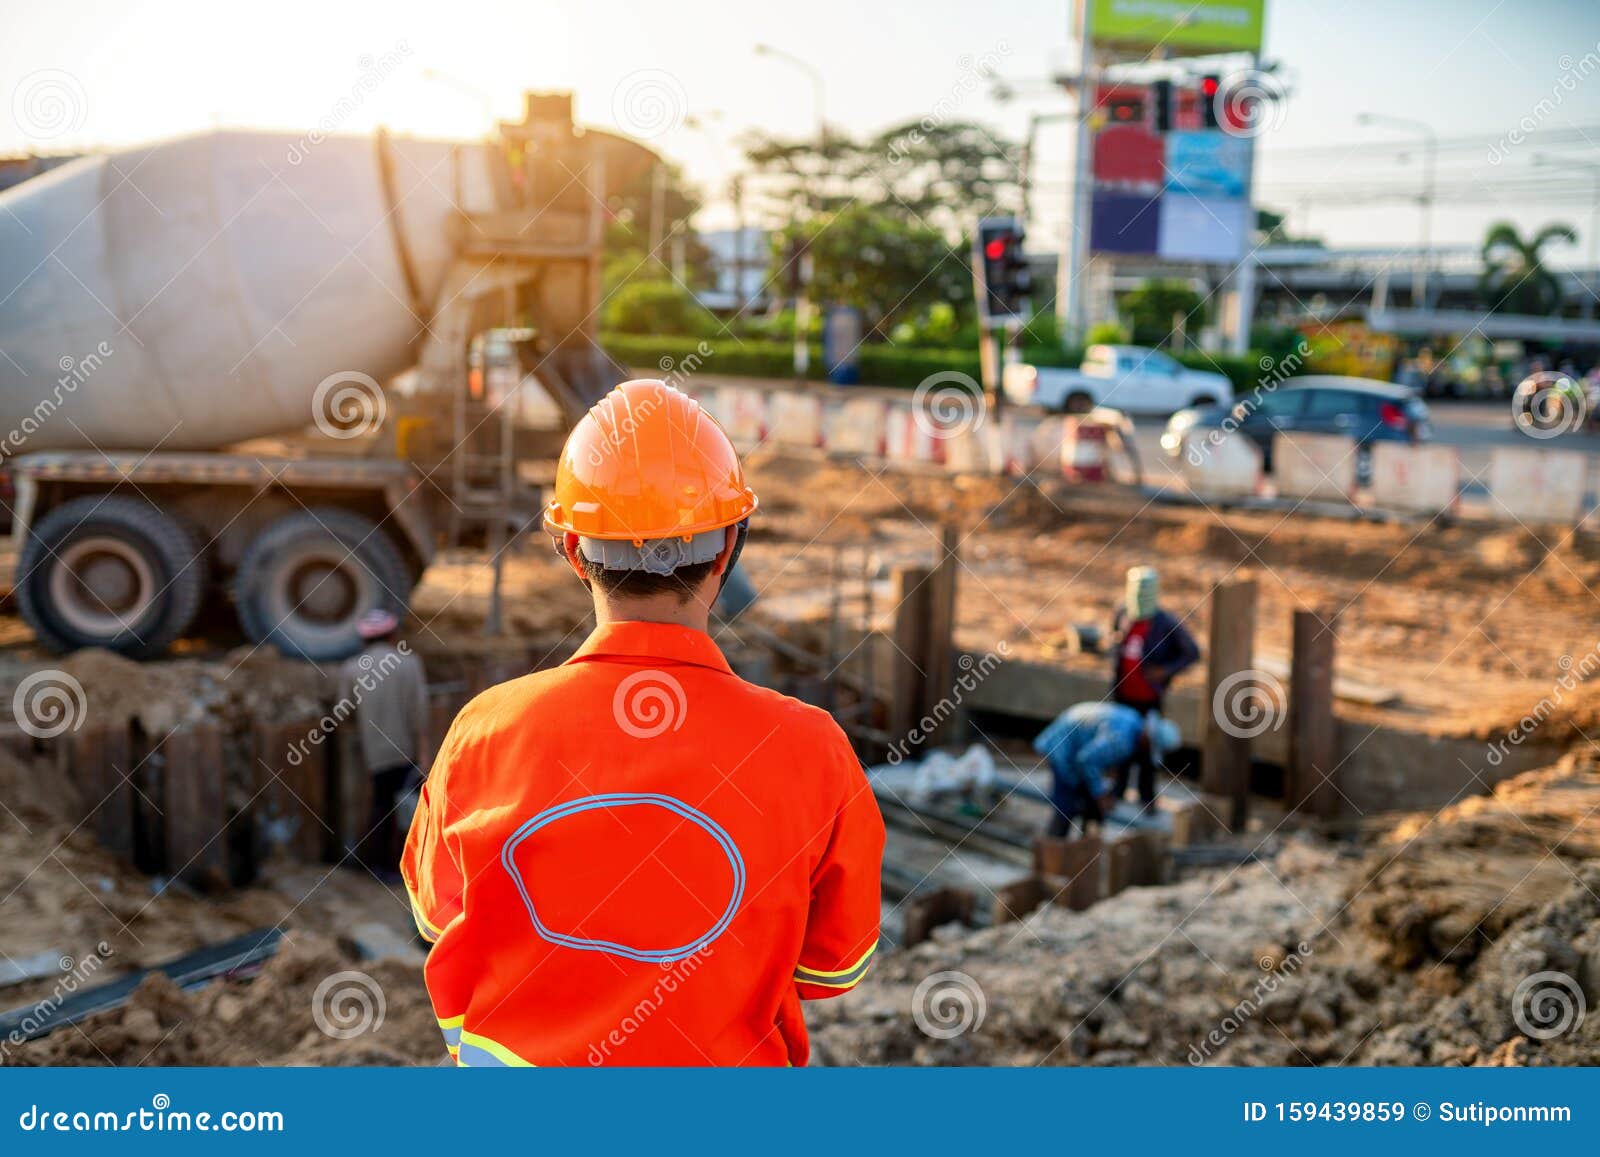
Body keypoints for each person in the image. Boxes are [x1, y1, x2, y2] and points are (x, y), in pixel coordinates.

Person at [403, 379, 884, 1068]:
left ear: (572, 550)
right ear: (729, 551)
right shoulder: (811, 749)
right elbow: (832, 965)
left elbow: (438, 916)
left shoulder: (485, 732)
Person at [340, 607, 429, 879]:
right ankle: (412, 871)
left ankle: (380, 867)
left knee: (381, 809)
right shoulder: (410, 663)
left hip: (375, 755)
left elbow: (344, 714)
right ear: (392, 635)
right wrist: (425, 754)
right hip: (407, 752)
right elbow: (420, 713)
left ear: (363, 639)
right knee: (412, 814)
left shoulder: (351, 669)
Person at [1107, 565, 1198, 804]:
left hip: (1149, 699)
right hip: (1123, 695)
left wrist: (1165, 671)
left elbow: (1192, 652)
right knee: (1121, 743)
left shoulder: (1165, 623)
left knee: (1148, 749)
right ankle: (1119, 790)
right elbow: (1116, 642)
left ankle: (1146, 798)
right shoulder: (1122, 614)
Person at [1033, 703, 1180, 838]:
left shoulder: (1133, 720)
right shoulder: (1120, 740)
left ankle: (1084, 849)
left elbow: (1100, 758)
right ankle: (1053, 853)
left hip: (1072, 741)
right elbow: (1086, 760)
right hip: (1063, 747)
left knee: (1089, 804)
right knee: (1066, 804)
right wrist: (1100, 795)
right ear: (1148, 738)